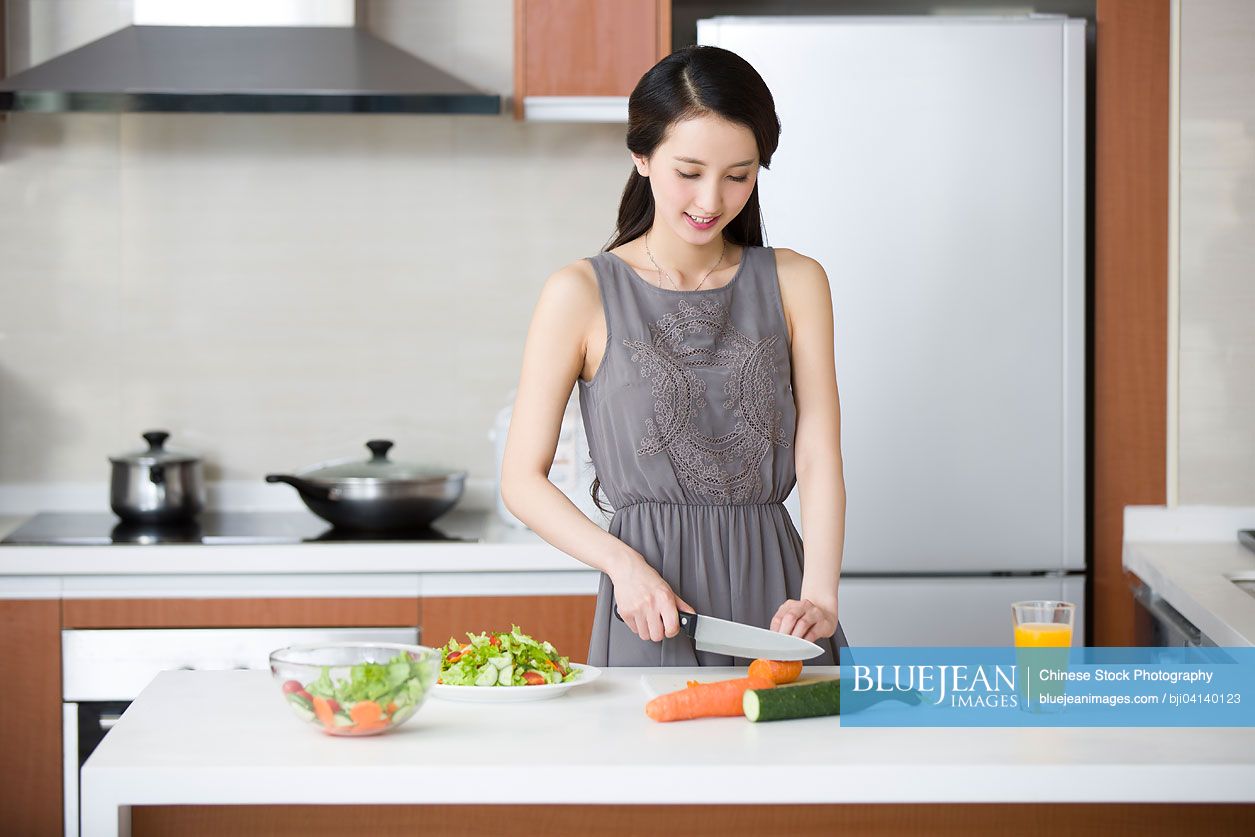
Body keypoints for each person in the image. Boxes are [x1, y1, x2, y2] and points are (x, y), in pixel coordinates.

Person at [500, 45, 849, 666]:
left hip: (781, 606)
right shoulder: (578, 294)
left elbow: (819, 452)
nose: (711, 200)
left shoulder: (798, 281)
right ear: (642, 157)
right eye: (689, 172)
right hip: (651, 603)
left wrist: (820, 594)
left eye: (738, 175)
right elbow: (522, 480)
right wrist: (621, 565)